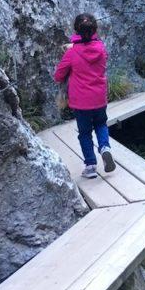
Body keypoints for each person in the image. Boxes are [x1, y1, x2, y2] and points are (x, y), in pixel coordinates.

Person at [53, 13, 115, 179]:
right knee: (101, 124)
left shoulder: (72, 53)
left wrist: (72, 50)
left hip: (81, 102)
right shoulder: (101, 49)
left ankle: (91, 166)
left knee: (85, 133)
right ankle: (105, 147)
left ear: (76, 30)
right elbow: (100, 57)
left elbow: (58, 76)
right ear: (95, 29)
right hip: (99, 98)